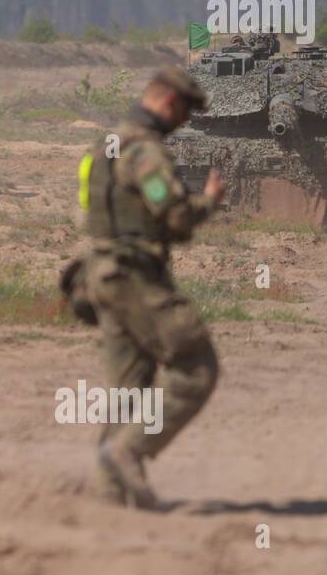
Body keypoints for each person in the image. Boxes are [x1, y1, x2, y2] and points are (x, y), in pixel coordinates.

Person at [73, 65, 225, 509]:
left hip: (99, 272)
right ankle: (131, 451)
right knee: (196, 367)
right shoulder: (144, 151)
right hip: (134, 275)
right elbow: (174, 216)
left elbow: (90, 208)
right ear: (169, 103)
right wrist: (208, 202)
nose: (183, 123)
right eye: (185, 113)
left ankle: (111, 495)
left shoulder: (106, 144)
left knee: (127, 389)